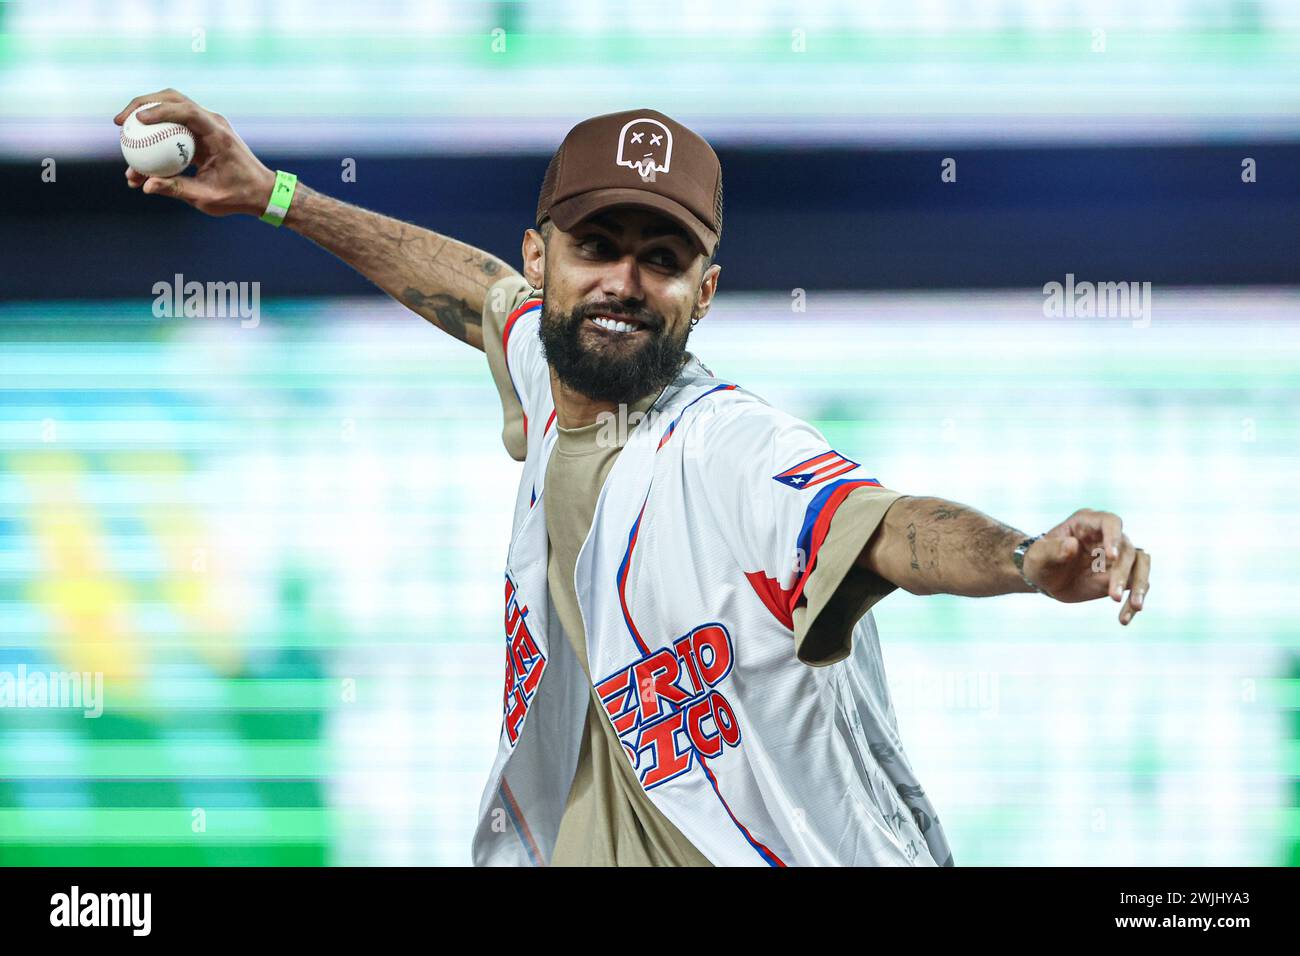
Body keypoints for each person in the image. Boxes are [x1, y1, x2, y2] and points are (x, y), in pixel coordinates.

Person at [116, 92, 1152, 867]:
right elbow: (466, 287)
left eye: (660, 258)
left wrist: (1023, 558)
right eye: (597, 246)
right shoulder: (549, 360)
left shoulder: (727, 449)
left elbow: (889, 527)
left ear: (703, 294)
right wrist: (274, 197)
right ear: (543, 259)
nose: (622, 281)